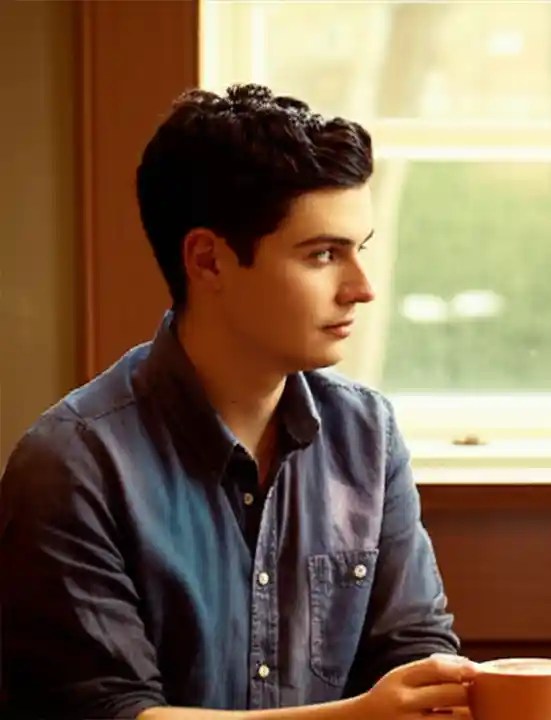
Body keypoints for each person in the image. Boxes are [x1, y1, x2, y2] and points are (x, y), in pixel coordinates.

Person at [0, 85, 475, 719]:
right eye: (323, 255)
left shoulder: (368, 435)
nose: (361, 288)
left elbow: (414, 660)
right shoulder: (72, 463)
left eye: (360, 249)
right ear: (209, 261)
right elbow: (109, 713)